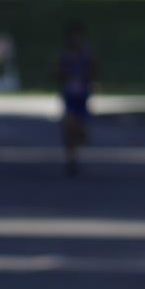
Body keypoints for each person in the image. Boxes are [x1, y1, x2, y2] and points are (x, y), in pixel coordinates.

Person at [54, 22, 97, 176]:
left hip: (82, 95)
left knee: (80, 126)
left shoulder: (87, 54)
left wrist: (91, 81)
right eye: (72, 37)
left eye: (78, 36)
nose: (75, 40)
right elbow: (57, 73)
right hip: (69, 95)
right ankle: (71, 159)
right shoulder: (64, 55)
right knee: (69, 128)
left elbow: (95, 70)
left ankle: (82, 134)